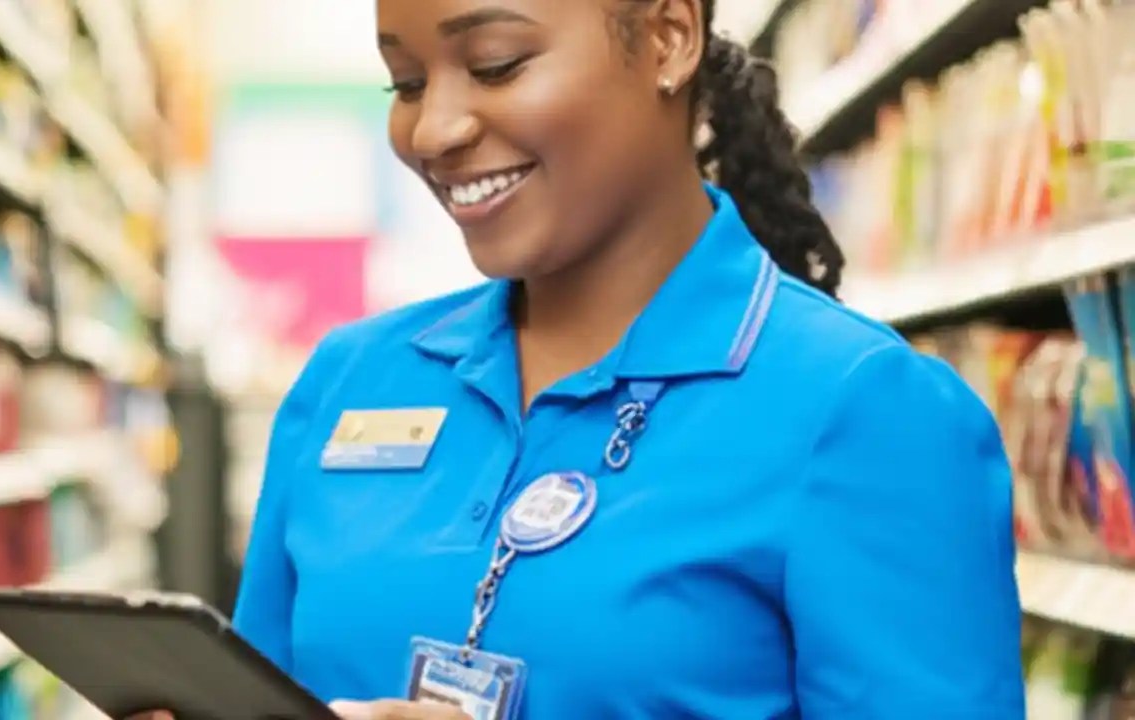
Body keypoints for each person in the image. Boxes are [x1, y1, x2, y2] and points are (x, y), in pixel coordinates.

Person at [136, 0, 1026, 718]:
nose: (434, 129)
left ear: (668, 36)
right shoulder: (349, 381)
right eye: (404, 82)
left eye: (495, 63)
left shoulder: (868, 414)